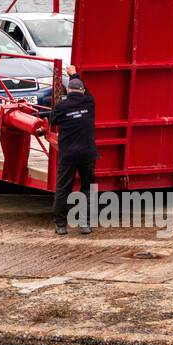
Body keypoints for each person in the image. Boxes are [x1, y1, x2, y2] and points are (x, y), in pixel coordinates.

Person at [44, 64, 99, 236]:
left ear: (68, 91)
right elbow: (85, 90)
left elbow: (52, 121)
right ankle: (85, 224)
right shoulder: (89, 102)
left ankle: (61, 225)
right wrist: (75, 74)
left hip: (68, 155)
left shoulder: (62, 107)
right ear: (82, 91)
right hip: (87, 154)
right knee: (88, 188)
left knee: (63, 188)